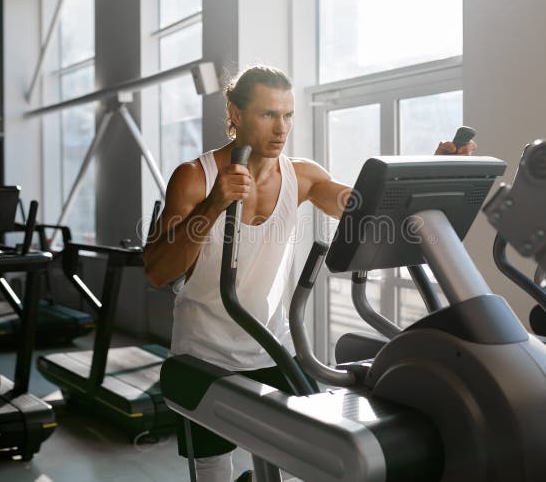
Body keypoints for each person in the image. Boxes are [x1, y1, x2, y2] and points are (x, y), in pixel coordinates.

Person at [143, 65, 476, 482]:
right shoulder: (195, 177)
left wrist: (430, 174)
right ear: (235, 113)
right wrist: (213, 204)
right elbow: (158, 271)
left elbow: (367, 207)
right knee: (213, 471)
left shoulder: (301, 176)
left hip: (272, 346)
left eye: (288, 115)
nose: (281, 128)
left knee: (307, 458)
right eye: (268, 115)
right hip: (204, 353)